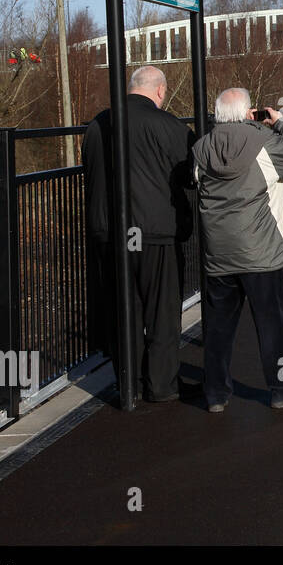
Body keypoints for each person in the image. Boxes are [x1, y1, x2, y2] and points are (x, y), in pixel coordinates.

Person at [193, 88, 283, 412]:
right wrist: (281, 123)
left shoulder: (200, 148)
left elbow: (192, 181)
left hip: (218, 252)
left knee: (218, 328)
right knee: (272, 324)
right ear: (250, 113)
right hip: (260, 251)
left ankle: (216, 394)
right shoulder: (263, 143)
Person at [81, 65, 196, 402]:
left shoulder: (98, 125)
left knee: (123, 311)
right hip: (156, 232)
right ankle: (162, 386)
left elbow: (90, 169)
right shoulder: (169, 125)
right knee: (162, 312)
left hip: (110, 234)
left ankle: (128, 384)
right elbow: (191, 175)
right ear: (160, 91)